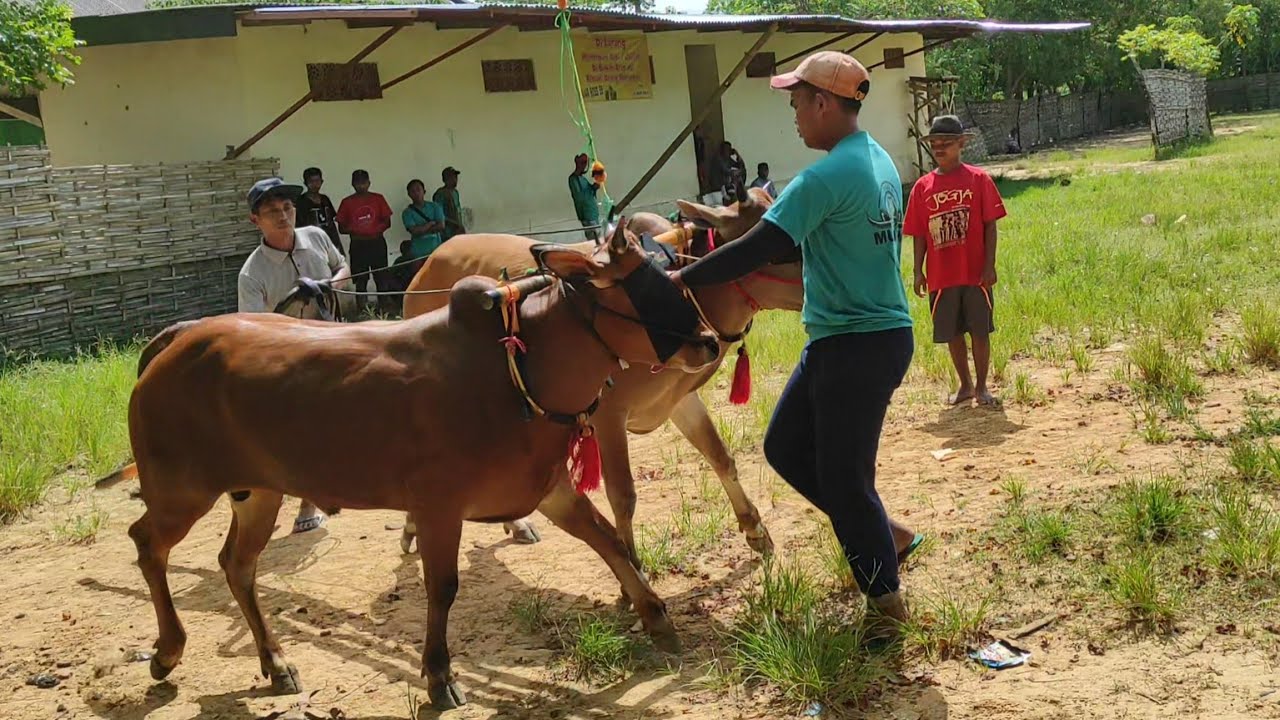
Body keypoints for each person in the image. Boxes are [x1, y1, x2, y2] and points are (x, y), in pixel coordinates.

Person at [670, 51, 920, 642]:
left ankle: (886, 606)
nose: (794, 114)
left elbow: (757, 248)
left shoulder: (823, 178)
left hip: (857, 344)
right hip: (849, 337)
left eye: (797, 102)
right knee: (785, 446)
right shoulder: (876, 159)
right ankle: (886, 534)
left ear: (824, 103)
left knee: (845, 479)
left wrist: (680, 278)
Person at [237, 177, 352, 534]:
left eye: (287, 207)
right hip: (288, 360)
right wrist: (291, 301)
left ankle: (320, 493)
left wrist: (329, 285)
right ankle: (297, 500)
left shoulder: (316, 237)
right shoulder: (252, 274)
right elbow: (254, 332)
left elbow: (343, 267)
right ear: (255, 220)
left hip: (334, 341)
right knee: (297, 432)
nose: (283, 215)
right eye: (272, 211)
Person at [905, 115, 1007, 407]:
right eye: (935, 143)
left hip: (975, 274)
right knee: (952, 332)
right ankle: (965, 385)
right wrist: (917, 271)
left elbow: (990, 225)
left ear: (961, 143)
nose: (939, 148)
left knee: (980, 330)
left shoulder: (979, 180)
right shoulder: (922, 187)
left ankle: (982, 387)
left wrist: (989, 265)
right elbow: (919, 234)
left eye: (946, 143)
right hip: (941, 276)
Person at [336, 169, 396, 315]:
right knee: (360, 279)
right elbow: (341, 227)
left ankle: (384, 309)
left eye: (364, 182)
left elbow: (387, 221)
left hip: (377, 242)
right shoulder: (347, 202)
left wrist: (374, 230)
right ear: (352, 184)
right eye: (358, 183)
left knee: (381, 277)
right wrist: (357, 230)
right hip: (358, 245)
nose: (361, 186)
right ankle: (363, 311)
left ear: (369, 183)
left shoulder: (378, 198)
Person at [294, 167, 343, 257]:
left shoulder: (325, 199)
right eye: (311, 181)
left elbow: (331, 223)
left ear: (322, 181)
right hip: (311, 244)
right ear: (305, 183)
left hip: (329, 241)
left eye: (317, 181)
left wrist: (338, 245)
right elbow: (298, 226)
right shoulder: (300, 202)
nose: (315, 184)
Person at [402, 178, 446, 264]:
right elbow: (414, 231)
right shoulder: (407, 213)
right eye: (413, 191)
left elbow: (441, 226)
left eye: (418, 190)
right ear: (409, 194)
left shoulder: (435, 206)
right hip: (418, 254)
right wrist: (430, 224)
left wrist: (421, 229)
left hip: (436, 251)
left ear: (424, 191)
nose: (416, 193)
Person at [568, 153, 601, 241]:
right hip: (587, 215)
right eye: (583, 163)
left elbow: (590, 191)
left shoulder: (583, 179)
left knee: (598, 239)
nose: (584, 166)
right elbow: (580, 197)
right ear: (578, 163)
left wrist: (595, 187)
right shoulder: (573, 179)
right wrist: (592, 188)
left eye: (585, 163)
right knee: (593, 241)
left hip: (593, 214)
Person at [433, 166, 466, 241]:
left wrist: (460, 226)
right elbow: (439, 215)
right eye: (451, 177)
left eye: (455, 177)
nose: (454, 180)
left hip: (457, 232)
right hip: (446, 233)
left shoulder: (455, 192)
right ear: (444, 180)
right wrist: (456, 224)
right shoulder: (440, 194)